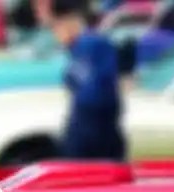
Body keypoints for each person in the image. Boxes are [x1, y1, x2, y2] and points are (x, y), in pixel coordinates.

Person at [52, 0, 125, 161]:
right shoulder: (77, 48)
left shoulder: (93, 45)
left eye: (58, 28)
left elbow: (98, 87)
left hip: (93, 121)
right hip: (87, 119)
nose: (56, 35)